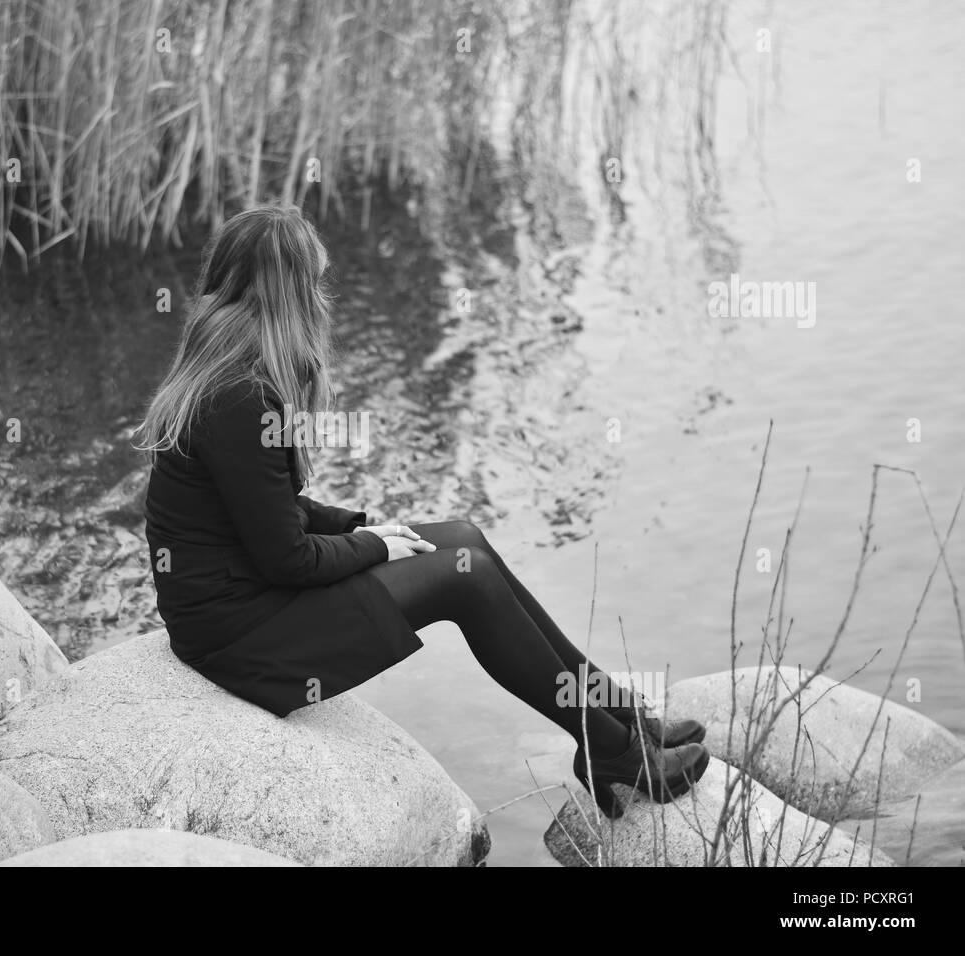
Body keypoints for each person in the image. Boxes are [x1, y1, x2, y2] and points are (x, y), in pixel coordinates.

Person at [136, 202, 709, 818]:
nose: (322, 296)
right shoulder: (240, 396)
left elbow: (260, 508)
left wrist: (360, 528)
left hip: (243, 598)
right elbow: (286, 560)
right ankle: (611, 749)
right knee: (467, 578)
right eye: (315, 281)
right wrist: (379, 548)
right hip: (238, 634)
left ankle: (618, 714)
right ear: (291, 293)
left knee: (465, 539)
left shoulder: (226, 363)